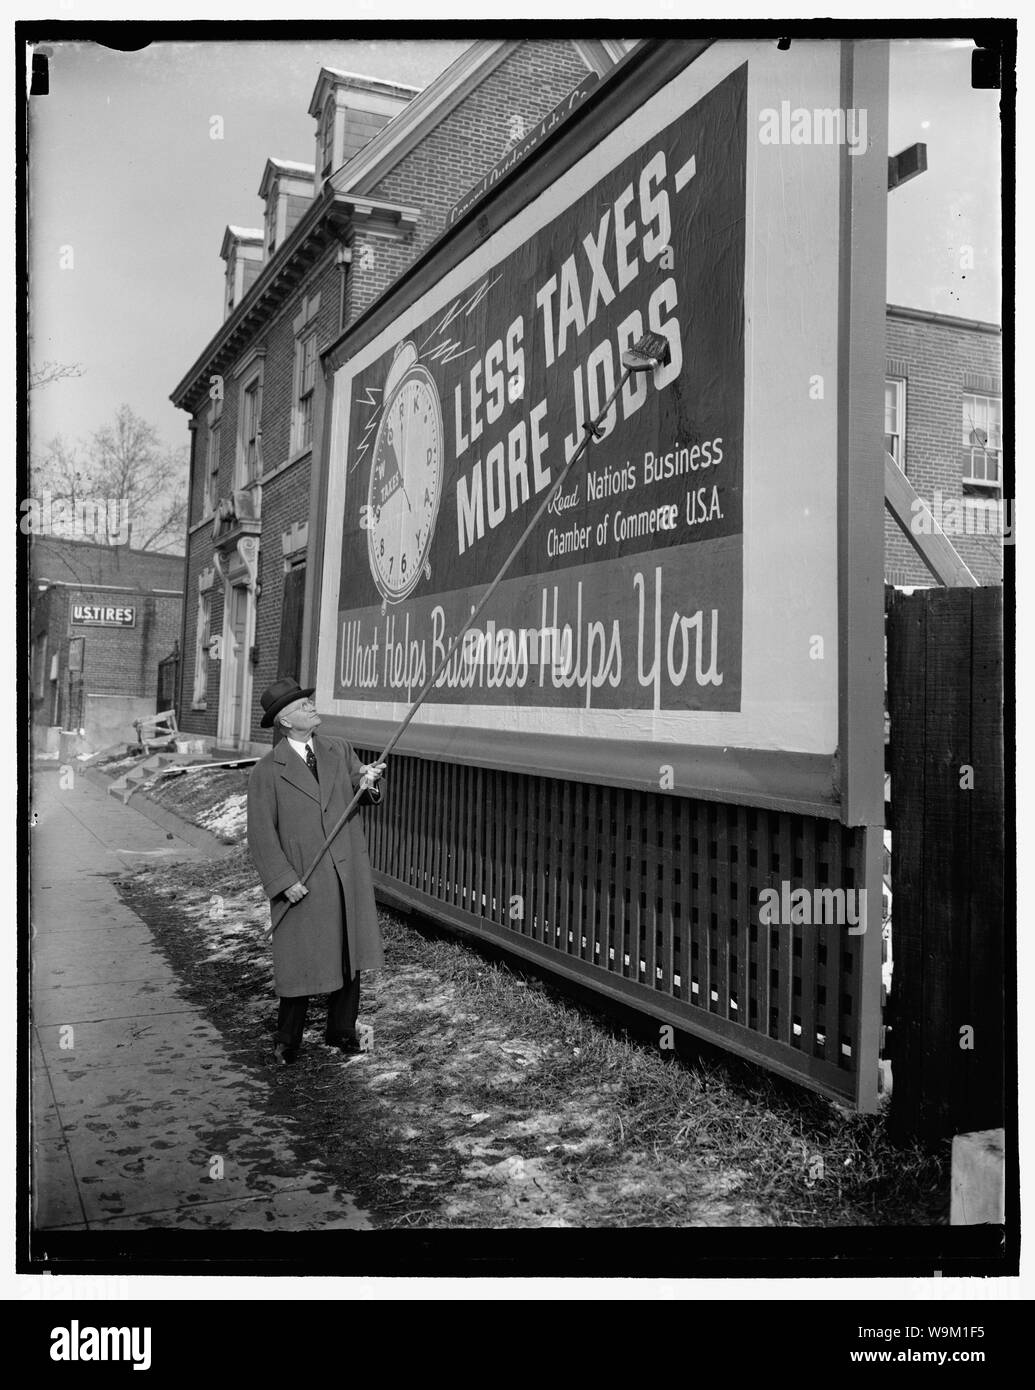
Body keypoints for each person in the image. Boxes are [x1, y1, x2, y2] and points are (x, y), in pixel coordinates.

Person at [246, 677, 386, 1065]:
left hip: (344, 872)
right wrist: (283, 881)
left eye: (308, 701)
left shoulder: (338, 750)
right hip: (303, 878)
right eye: (302, 705)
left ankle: (341, 1029)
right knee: (300, 959)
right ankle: (287, 1038)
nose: (310, 706)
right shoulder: (266, 771)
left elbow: (361, 782)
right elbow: (260, 835)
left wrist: (369, 781)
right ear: (285, 722)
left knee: (347, 953)